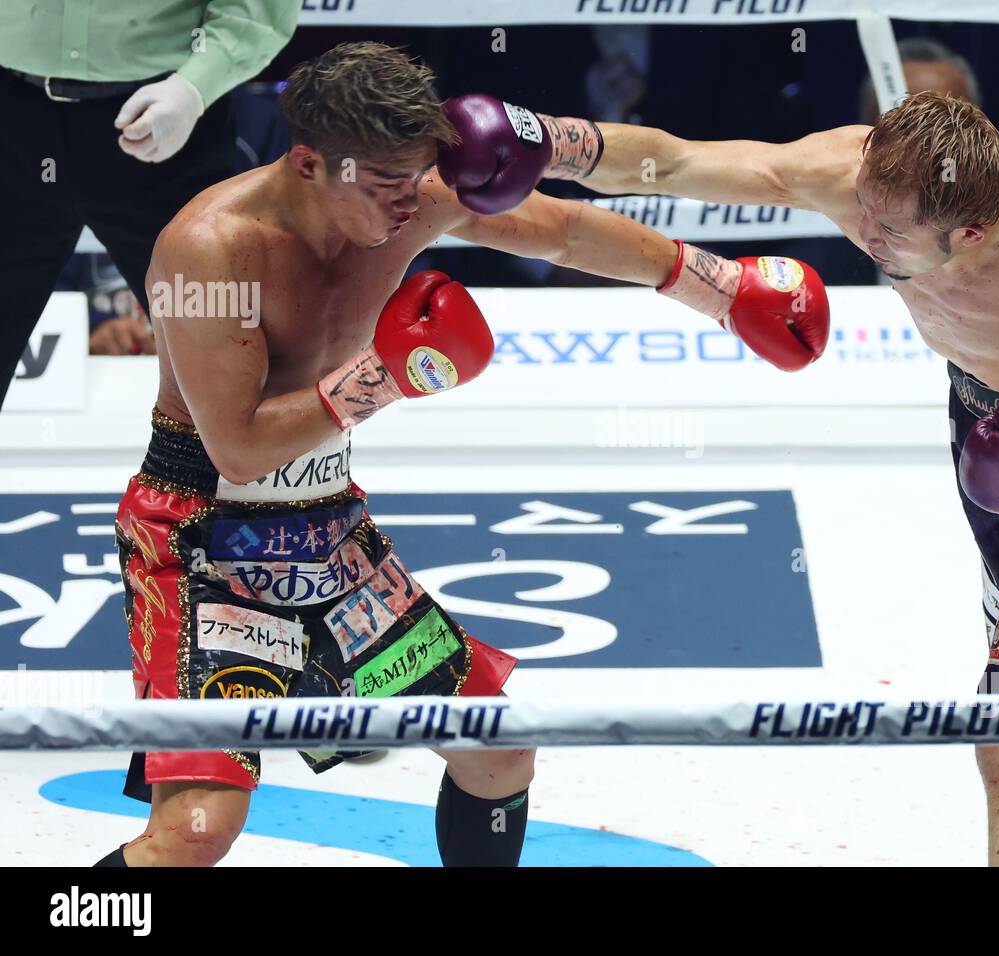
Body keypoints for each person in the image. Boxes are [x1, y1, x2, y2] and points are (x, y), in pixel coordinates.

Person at [456, 88, 999, 867]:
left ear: (969, 233)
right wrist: (547, 139)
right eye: (866, 208)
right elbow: (672, 163)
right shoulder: (854, 176)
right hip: (988, 433)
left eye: (890, 231)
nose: (866, 236)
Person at [100, 42, 829, 868]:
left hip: (327, 527)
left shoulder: (406, 192)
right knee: (197, 832)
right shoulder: (209, 250)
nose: (413, 206)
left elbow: (567, 230)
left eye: (418, 180)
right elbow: (235, 446)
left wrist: (721, 291)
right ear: (309, 163)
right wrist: (386, 376)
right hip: (199, 540)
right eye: (385, 186)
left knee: (497, 749)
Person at [0, 0, 299, 410]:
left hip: (166, 112)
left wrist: (193, 89)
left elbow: (259, 8)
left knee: (233, 370)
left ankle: (242, 472)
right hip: (12, 107)